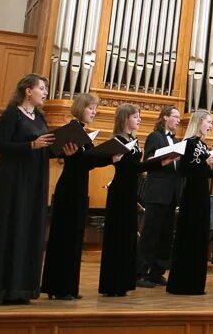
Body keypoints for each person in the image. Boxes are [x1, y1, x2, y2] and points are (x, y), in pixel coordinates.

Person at [0, 73, 68, 305]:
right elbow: (0, 146)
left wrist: (62, 150)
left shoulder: (40, 118)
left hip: (35, 180)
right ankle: (0, 288)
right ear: (28, 91)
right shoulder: (11, 115)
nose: (46, 93)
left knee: (29, 229)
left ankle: (22, 288)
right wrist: (31, 145)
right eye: (42, 88)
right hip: (13, 180)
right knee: (10, 226)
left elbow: (45, 149)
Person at [40, 92, 111, 300]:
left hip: (80, 188)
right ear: (81, 108)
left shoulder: (84, 133)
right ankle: (57, 287)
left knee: (74, 238)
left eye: (95, 109)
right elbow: (56, 152)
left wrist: (110, 157)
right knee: (63, 236)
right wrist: (66, 153)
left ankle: (69, 286)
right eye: (91, 108)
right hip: (68, 189)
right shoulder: (72, 130)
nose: (94, 112)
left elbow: (88, 161)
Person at [99, 103, 169, 297]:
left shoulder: (132, 139)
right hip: (120, 190)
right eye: (136, 116)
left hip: (130, 190)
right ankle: (112, 283)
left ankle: (123, 281)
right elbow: (129, 168)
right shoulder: (119, 140)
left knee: (128, 235)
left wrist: (159, 162)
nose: (139, 119)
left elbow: (136, 168)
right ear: (125, 118)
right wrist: (157, 163)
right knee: (118, 235)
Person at [166, 110, 213, 295]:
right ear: (198, 122)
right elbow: (185, 169)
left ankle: (196, 282)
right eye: (208, 122)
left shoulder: (203, 145)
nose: (211, 125)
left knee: (200, 236)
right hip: (191, 195)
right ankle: (183, 283)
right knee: (189, 235)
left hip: (202, 194)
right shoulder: (188, 143)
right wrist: (205, 162)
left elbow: (204, 172)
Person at [137, 106, 182, 288]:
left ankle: (157, 272)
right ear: (165, 117)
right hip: (158, 192)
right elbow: (147, 161)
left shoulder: (176, 140)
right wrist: (163, 161)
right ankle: (139, 272)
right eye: (175, 117)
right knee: (150, 234)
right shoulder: (155, 137)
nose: (178, 120)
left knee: (165, 236)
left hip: (171, 193)